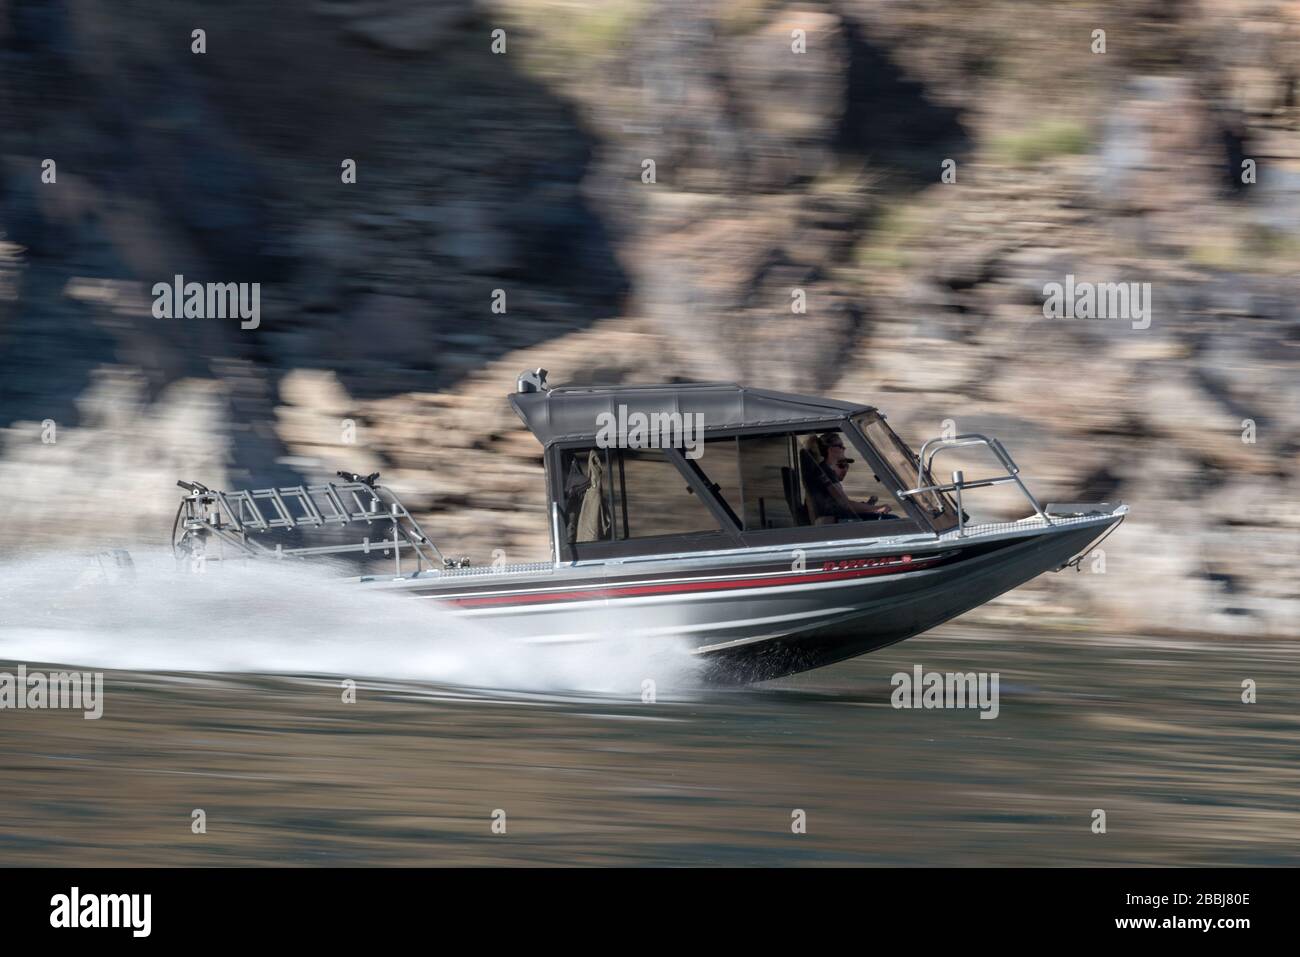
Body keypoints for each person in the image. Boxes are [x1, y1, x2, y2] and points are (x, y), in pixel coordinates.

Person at [802, 433, 892, 524]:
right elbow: (845, 504)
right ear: (830, 449)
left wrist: (867, 507)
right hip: (833, 521)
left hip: (838, 517)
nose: (844, 448)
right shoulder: (825, 472)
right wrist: (877, 508)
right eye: (840, 446)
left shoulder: (827, 471)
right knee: (891, 519)